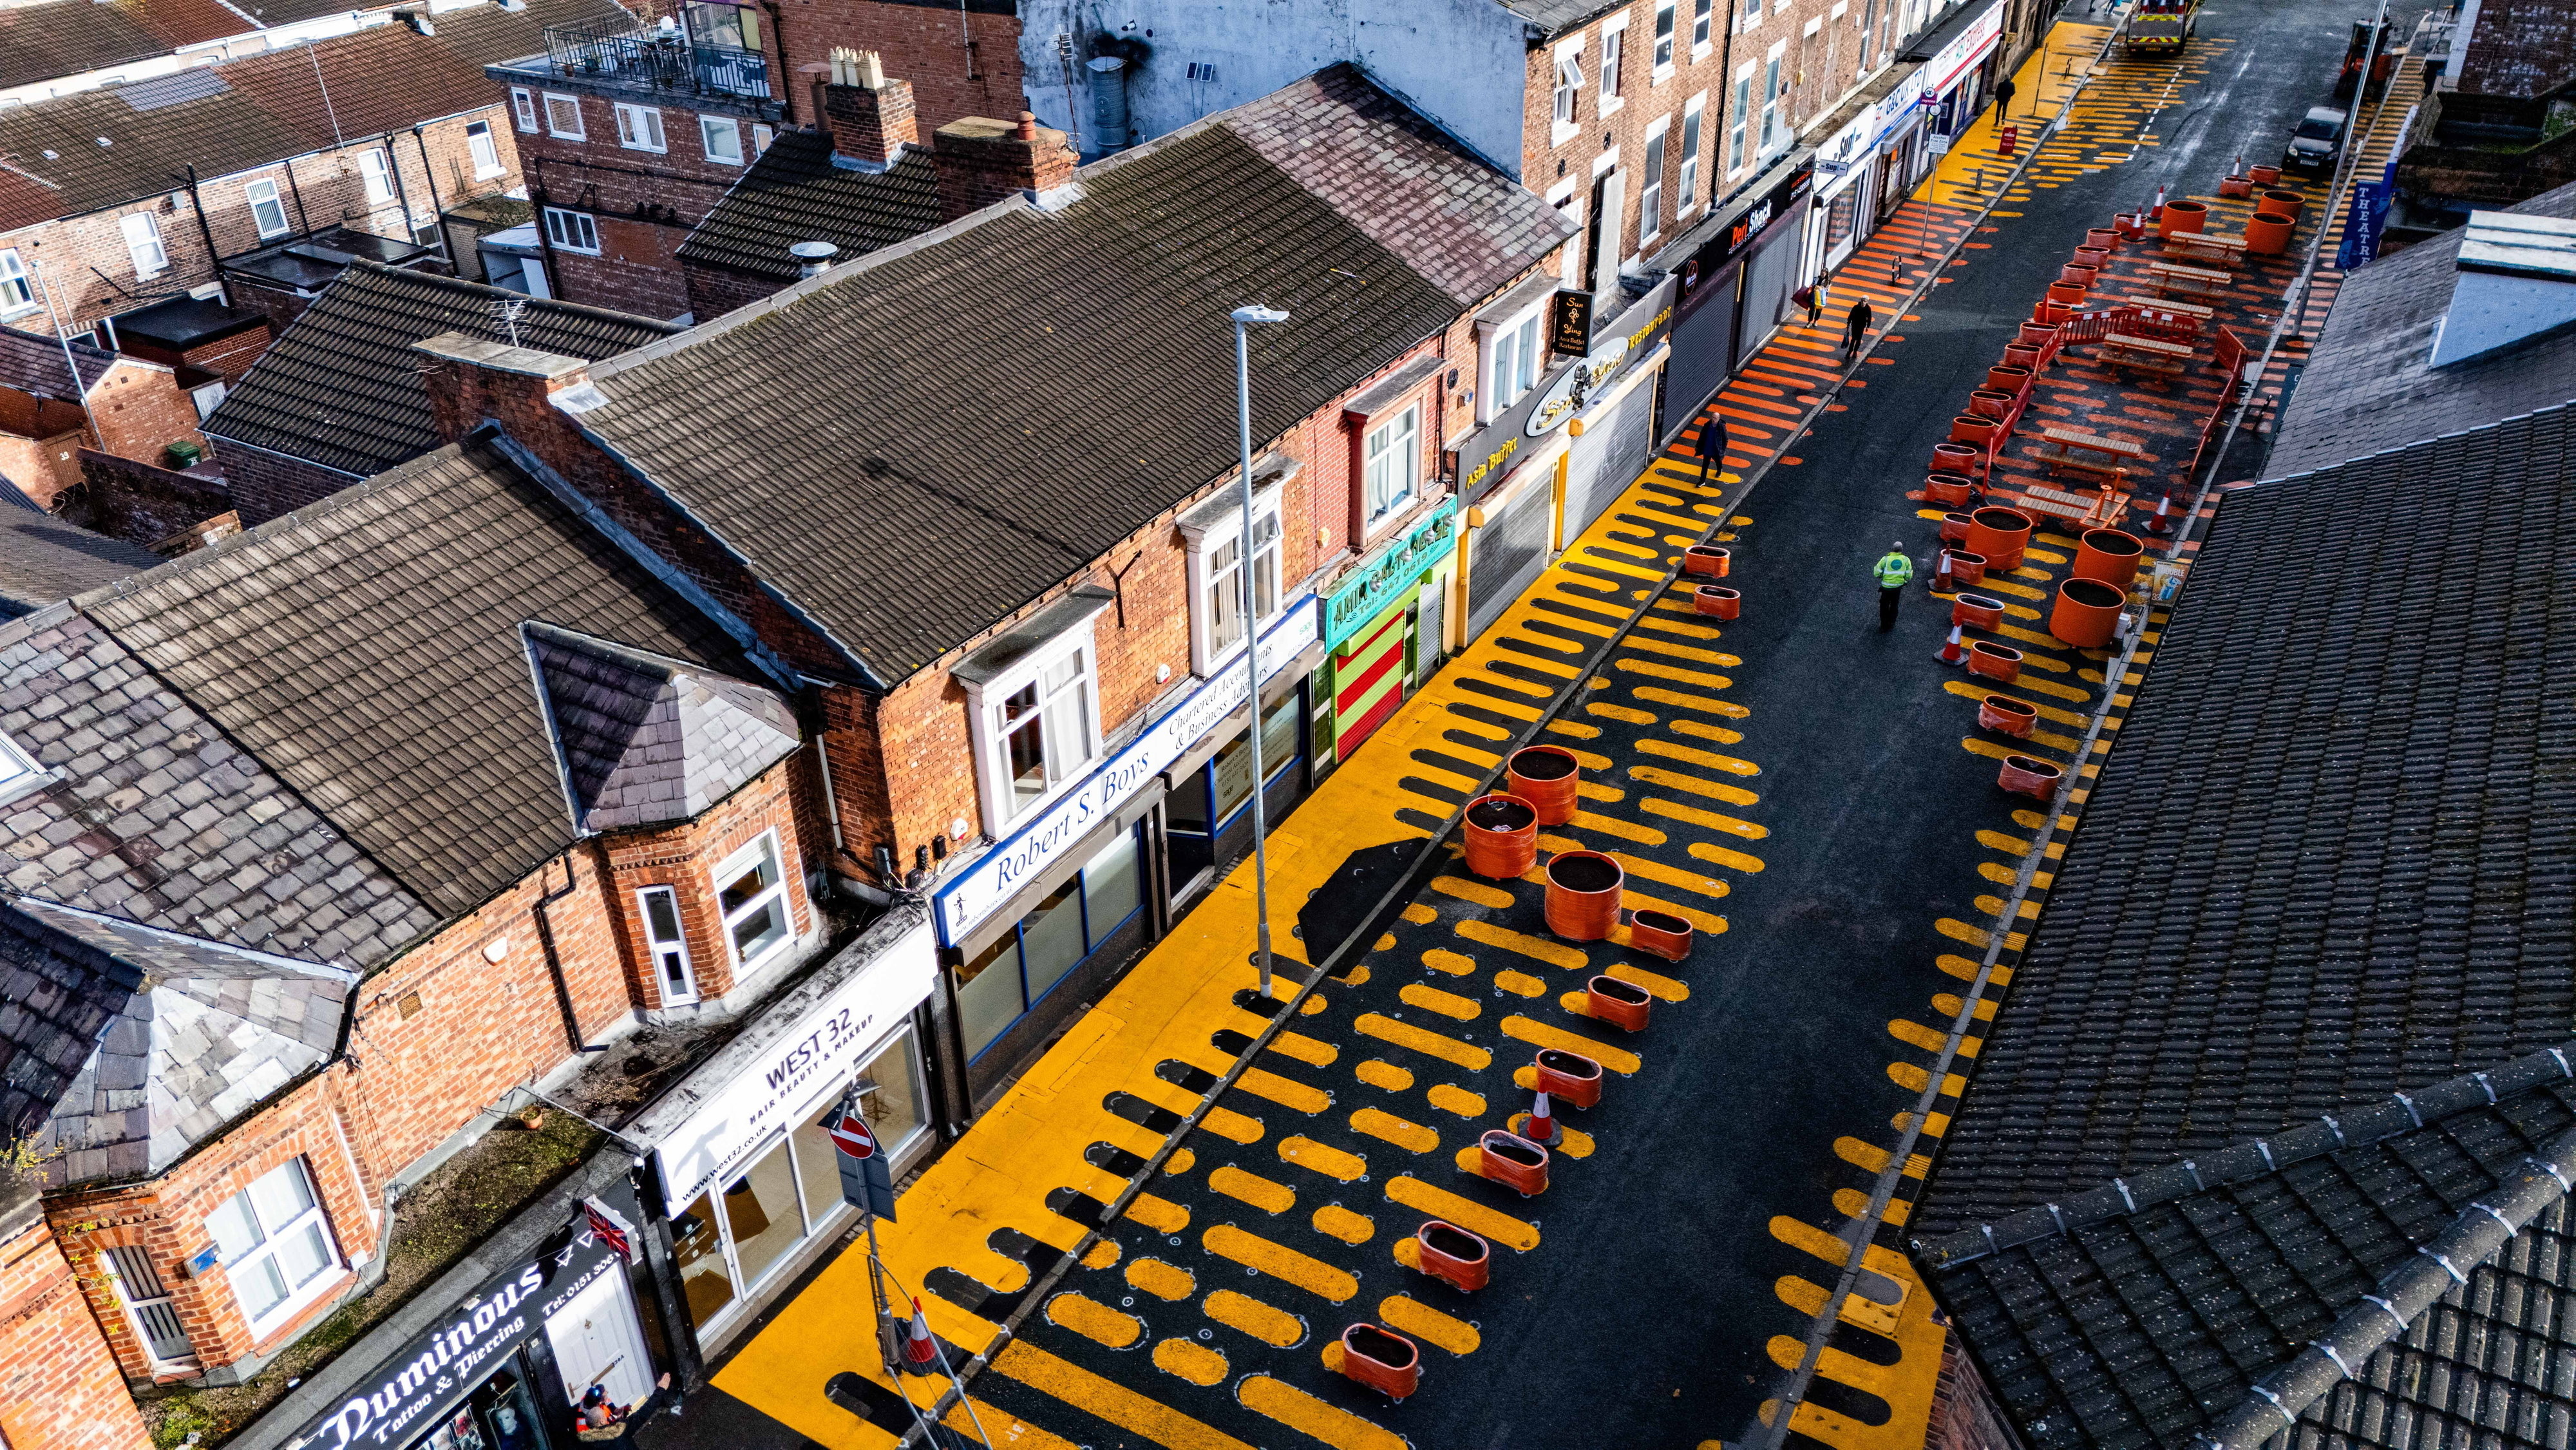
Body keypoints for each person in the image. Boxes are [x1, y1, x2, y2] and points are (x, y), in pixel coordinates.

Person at [1873, 542, 1914, 631]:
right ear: (1901, 550)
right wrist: (1905, 581)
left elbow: (1876, 573)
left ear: (1892, 549)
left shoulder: (1885, 559)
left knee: (1884, 606)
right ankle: (1891, 623)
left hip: (1886, 587)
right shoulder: (1906, 560)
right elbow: (1909, 575)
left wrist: (1881, 576)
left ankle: (1884, 625)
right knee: (1894, 605)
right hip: (1897, 588)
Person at [1844, 296, 1874, 361]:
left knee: (1858, 339)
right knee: (1854, 339)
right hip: (1856, 325)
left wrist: (1868, 326)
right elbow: (1851, 315)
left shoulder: (1867, 308)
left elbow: (1869, 318)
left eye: (1865, 301)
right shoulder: (1857, 307)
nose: (1864, 302)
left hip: (1860, 326)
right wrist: (1848, 324)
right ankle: (1850, 352)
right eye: (1863, 300)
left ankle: (1854, 351)